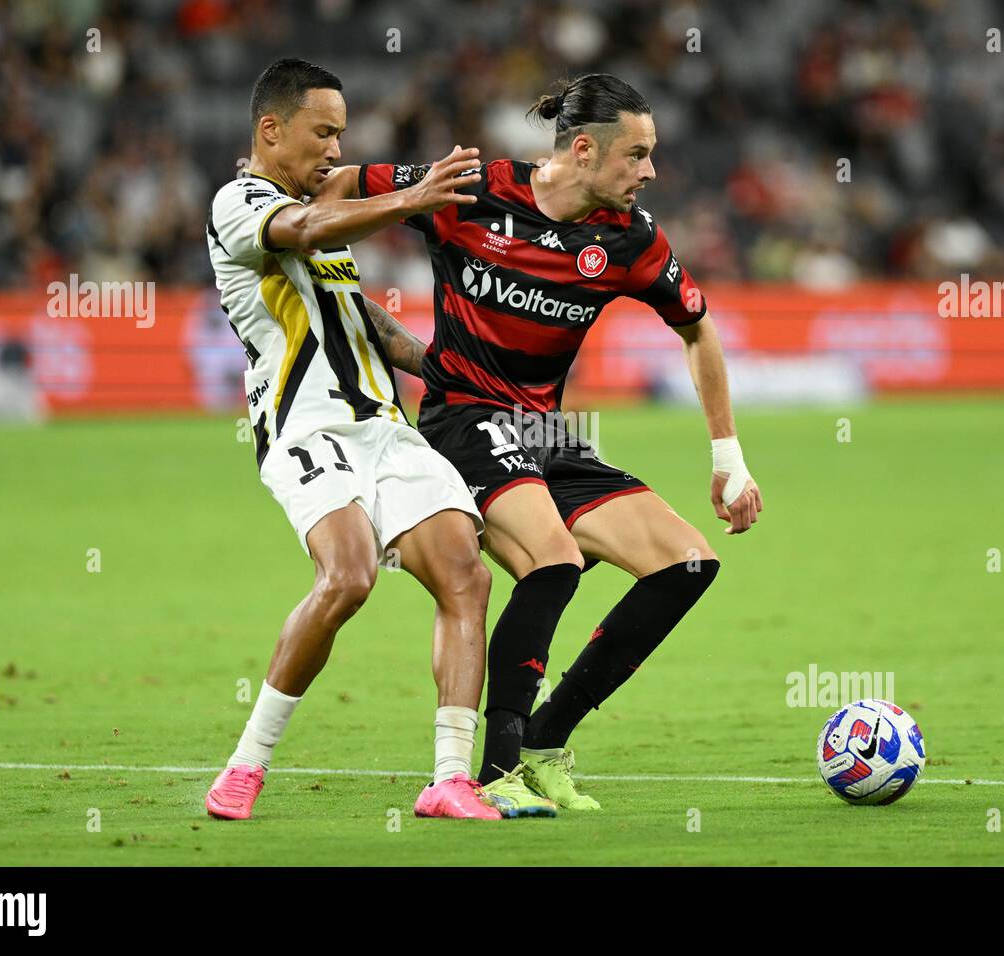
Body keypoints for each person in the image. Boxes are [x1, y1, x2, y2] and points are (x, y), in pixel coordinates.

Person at [346, 73, 763, 813]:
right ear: (583, 150)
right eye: (636, 155)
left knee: (686, 563)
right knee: (555, 561)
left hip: (543, 434)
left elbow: (698, 328)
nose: (651, 171)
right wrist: (284, 233)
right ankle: (497, 772)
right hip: (464, 419)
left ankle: (543, 745)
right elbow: (345, 183)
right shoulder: (474, 189)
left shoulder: (631, 241)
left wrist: (727, 458)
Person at [203, 57, 508, 821]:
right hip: (305, 428)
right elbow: (302, 227)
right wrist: (413, 197)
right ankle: (245, 766)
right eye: (324, 133)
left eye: (342, 134)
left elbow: (363, 320)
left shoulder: (326, 224)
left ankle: (448, 779)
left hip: (384, 430)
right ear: (270, 130)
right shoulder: (240, 202)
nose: (336, 150)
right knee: (348, 576)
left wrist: (447, 367)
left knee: (466, 577)